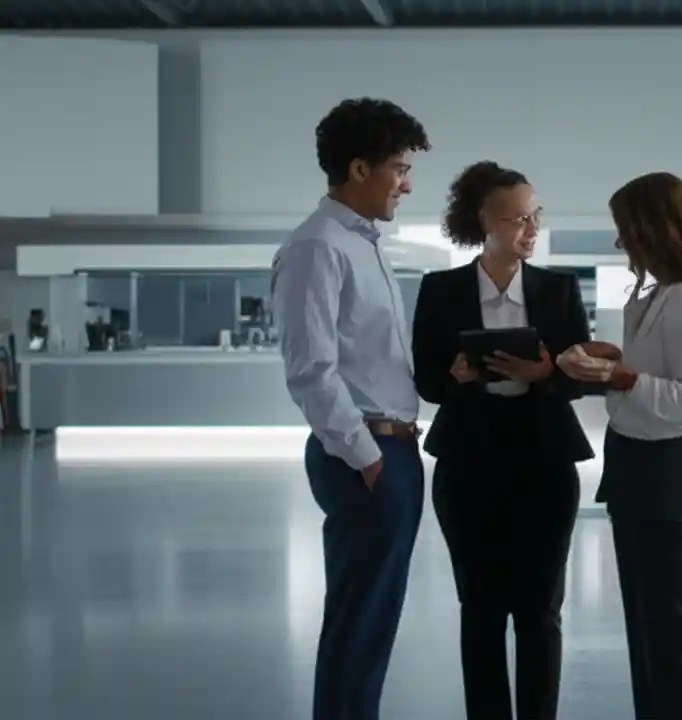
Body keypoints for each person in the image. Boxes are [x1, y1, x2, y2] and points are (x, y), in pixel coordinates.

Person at [412, 161, 593, 720]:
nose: (530, 228)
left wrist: (546, 374)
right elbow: (427, 383)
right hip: (469, 461)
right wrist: (455, 376)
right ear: (482, 221)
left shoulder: (558, 290)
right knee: (481, 610)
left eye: (534, 215)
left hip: (545, 459)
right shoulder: (440, 290)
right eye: (517, 218)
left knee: (541, 610)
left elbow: (580, 377)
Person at [558, 171, 682, 720]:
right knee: (650, 638)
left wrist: (621, 377)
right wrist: (617, 363)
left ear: (651, 229)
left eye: (624, 229)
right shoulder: (658, 295)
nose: (620, 242)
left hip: (670, 481)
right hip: (642, 476)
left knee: (676, 642)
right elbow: (656, 379)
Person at [271, 97, 430, 720]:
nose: (407, 184)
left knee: (372, 618)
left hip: (393, 447)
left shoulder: (362, 243)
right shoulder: (318, 247)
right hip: (364, 452)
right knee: (360, 622)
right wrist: (368, 459)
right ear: (360, 169)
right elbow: (311, 369)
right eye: (399, 169)